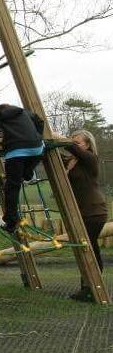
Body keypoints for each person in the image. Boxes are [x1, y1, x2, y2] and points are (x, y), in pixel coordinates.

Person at [0, 104, 45, 233]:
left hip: (17, 150)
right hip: (37, 149)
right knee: (24, 172)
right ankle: (27, 172)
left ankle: (11, 221)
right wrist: (37, 135)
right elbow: (40, 121)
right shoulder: (24, 112)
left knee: (12, 187)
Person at [59, 129, 108, 301]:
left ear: (87, 145)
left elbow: (72, 149)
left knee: (88, 248)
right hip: (82, 211)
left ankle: (90, 288)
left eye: (77, 142)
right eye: (72, 140)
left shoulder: (90, 159)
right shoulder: (71, 162)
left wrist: (63, 140)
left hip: (95, 211)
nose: (73, 143)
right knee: (88, 248)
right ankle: (89, 288)